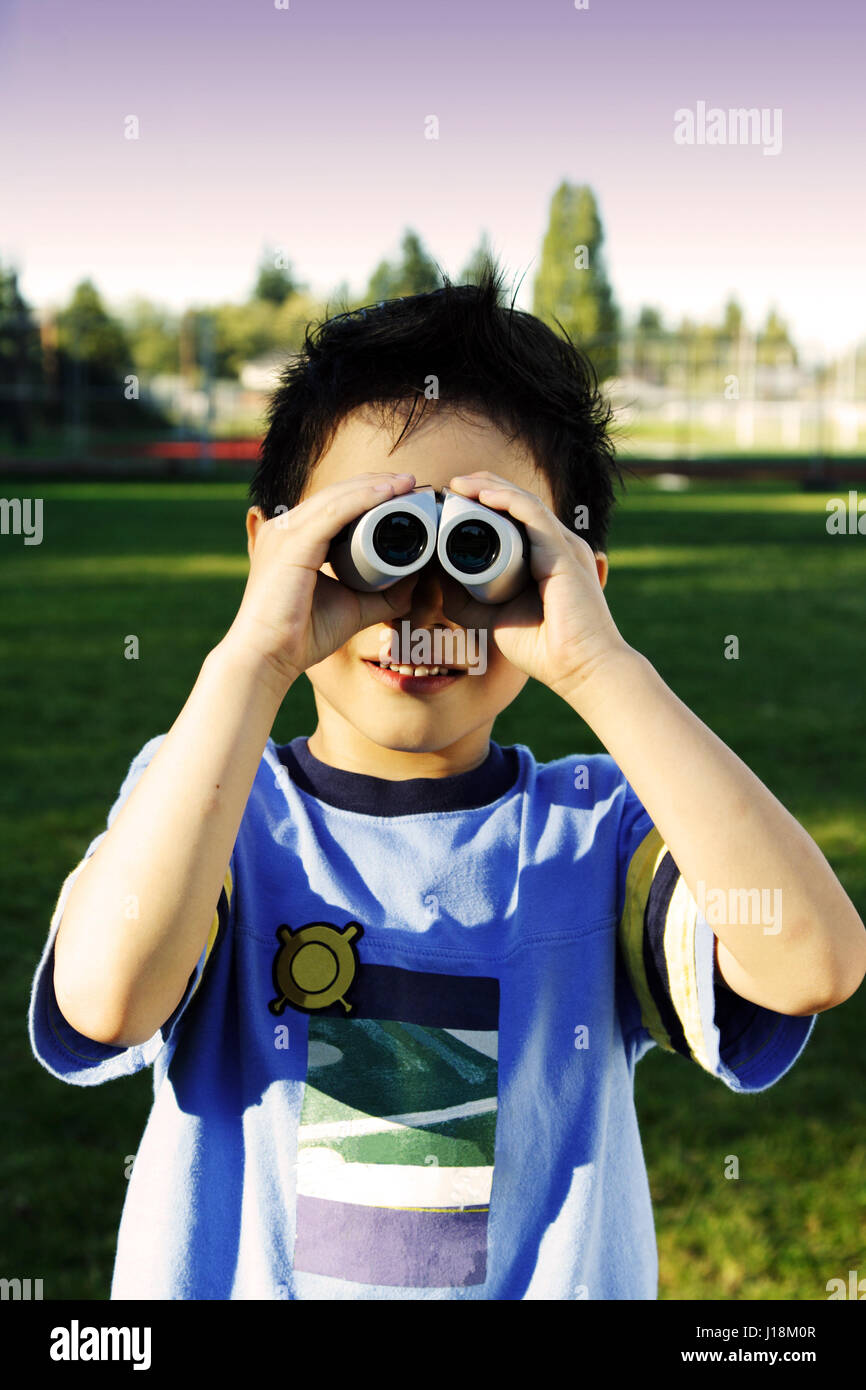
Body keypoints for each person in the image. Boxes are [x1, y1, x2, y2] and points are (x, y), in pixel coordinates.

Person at [29, 266, 866, 1299]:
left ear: (571, 573)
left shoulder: (598, 836)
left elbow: (811, 961)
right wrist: (252, 655)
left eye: (482, 544)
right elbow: (107, 997)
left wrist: (603, 669)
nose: (423, 603)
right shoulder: (210, 808)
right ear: (277, 548)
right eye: (370, 538)